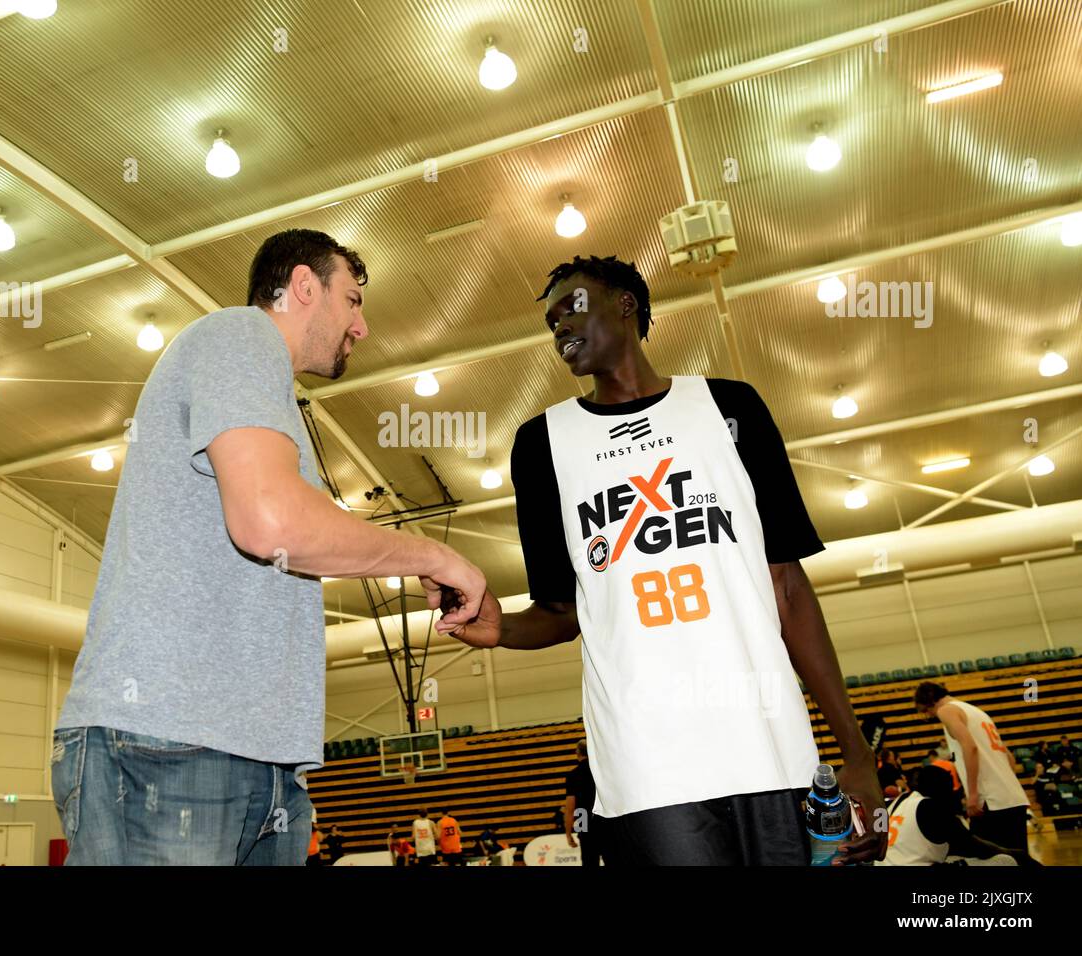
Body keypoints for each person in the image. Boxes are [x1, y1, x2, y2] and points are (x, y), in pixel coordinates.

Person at [52, 230, 486, 865]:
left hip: (255, 755)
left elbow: (289, 527)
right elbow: (270, 524)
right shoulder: (238, 335)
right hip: (169, 741)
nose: (360, 326)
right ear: (305, 287)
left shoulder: (275, 401)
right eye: (353, 299)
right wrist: (435, 555)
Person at [438, 255, 885, 865]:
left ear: (627, 305)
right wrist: (502, 627)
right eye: (549, 324)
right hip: (647, 765)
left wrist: (855, 754)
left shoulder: (732, 409)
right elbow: (561, 610)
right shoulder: (542, 444)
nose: (559, 330)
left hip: (771, 745)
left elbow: (787, 588)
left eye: (570, 308)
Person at [914, 682, 1031, 853]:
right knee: (1018, 861)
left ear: (929, 700)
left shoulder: (946, 710)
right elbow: (1009, 758)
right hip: (1013, 797)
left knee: (982, 860)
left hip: (991, 803)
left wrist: (973, 793)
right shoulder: (976, 712)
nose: (929, 715)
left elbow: (970, 747)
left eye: (925, 710)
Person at [877, 765, 1038, 867]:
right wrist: (1017, 854)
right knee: (1005, 861)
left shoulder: (897, 803)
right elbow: (977, 848)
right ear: (941, 789)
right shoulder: (931, 809)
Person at [564, 740, 602, 866]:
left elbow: (570, 808)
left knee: (589, 860)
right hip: (603, 817)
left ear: (577, 753)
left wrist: (569, 834)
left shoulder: (572, 775)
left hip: (582, 818)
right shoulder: (600, 770)